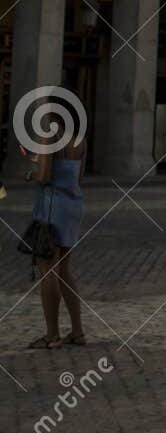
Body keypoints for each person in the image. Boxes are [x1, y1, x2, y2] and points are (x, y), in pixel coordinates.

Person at [20, 128, 87, 349]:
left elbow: (45, 176)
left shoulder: (49, 137)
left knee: (48, 271)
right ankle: (77, 332)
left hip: (51, 208)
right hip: (73, 207)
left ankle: (52, 335)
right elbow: (79, 177)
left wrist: (31, 173)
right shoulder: (81, 141)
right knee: (64, 271)